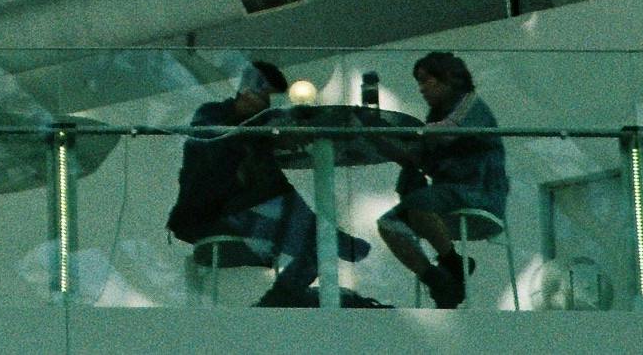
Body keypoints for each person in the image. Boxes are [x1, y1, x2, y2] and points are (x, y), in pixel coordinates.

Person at [165, 61, 365, 307]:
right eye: (265, 96)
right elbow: (214, 149)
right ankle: (284, 289)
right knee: (317, 240)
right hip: (213, 214)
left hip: (244, 209)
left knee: (317, 245)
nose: (268, 105)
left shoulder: (253, 130)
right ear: (247, 90)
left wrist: (274, 137)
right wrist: (266, 135)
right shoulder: (212, 114)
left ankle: (278, 297)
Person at [377, 50, 507, 309]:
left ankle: (451, 264)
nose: (422, 89)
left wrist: (405, 132)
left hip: (478, 190)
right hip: (445, 195)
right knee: (389, 224)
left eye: (427, 80)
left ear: (448, 78)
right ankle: (437, 279)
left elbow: (449, 131)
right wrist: (374, 136)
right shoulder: (433, 120)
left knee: (418, 203)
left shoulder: (470, 103)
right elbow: (412, 158)